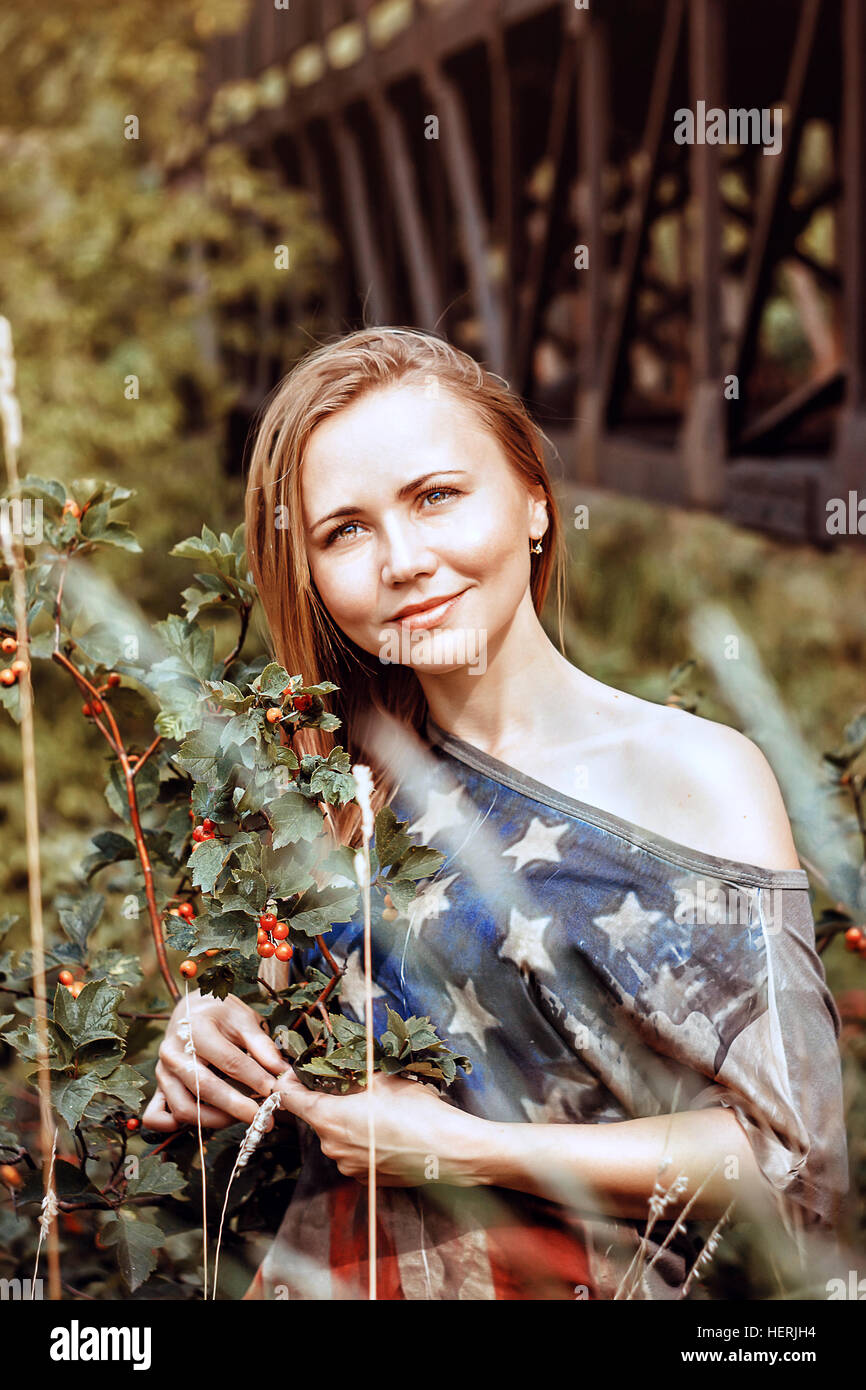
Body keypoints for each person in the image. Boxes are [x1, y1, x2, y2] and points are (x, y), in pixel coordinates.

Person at [142, 327, 848, 1299]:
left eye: (436, 496)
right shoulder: (331, 797)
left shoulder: (696, 774)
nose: (401, 558)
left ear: (533, 502)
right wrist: (208, 1042)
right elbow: (279, 1097)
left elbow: (789, 1159)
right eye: (343, 529)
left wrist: (469, 1150)